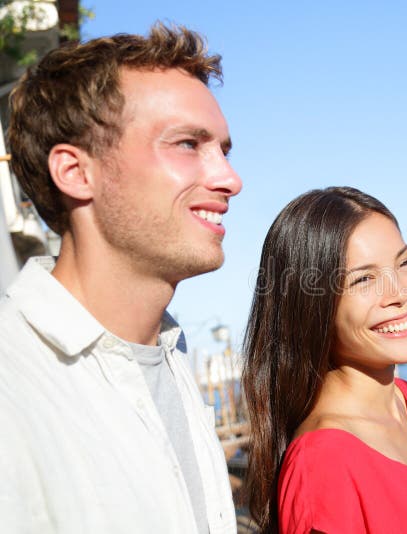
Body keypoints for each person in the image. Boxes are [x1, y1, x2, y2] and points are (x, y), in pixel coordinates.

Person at [0, 24, 242, 533]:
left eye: (223, 149)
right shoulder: (14, 387)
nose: (230, 180)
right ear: (76, 172)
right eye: (186, 144)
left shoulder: (169, 359)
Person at [242, 187, 407, 533]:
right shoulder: (322, 463)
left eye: (404, 262)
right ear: (310, 308)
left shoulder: (406, 401)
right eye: (364, 279)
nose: (400, 293)